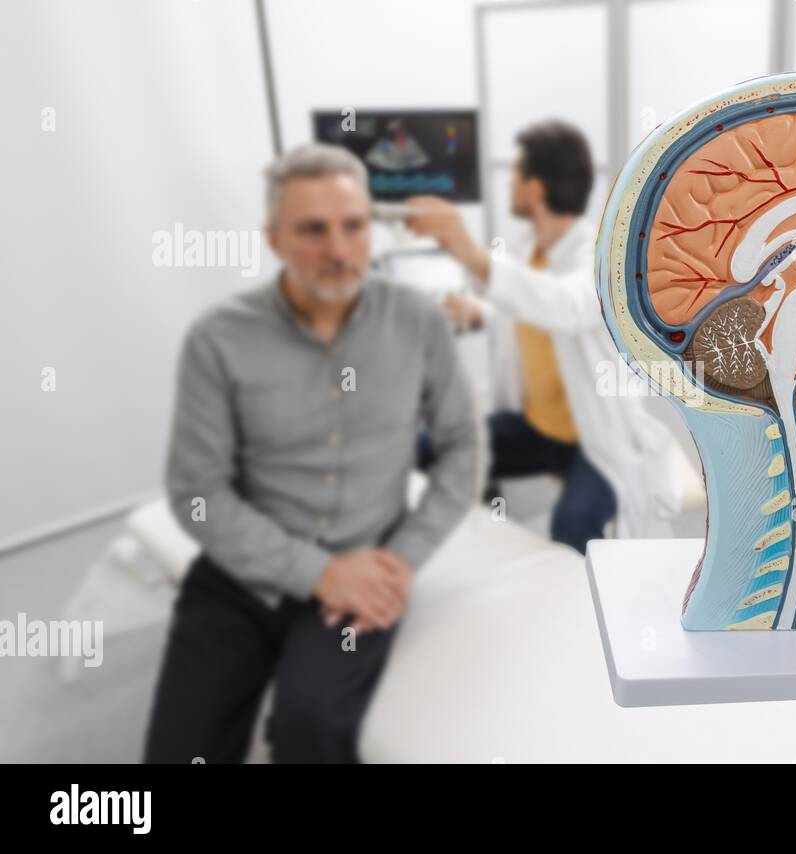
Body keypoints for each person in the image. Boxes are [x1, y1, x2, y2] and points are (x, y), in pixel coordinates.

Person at [144, 144, 477, 763]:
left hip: (366, 561)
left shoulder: (418, 323)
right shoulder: (218, 340)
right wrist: (317, 572)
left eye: (354, 227)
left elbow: (463, 446)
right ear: (273, 239)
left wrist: (399, 564)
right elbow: (196, 491)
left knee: (310, 729)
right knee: (177, 752)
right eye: (313, 230)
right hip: (242, 575)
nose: (340, 249)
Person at [403, 120, 681, 553]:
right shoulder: (526, 247)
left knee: (572, 524)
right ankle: (446, 550)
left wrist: (469, 251)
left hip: (596, 442)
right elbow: (529, 306)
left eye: (514, 174)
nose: (508, 183)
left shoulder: (598, 256)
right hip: (537, 429)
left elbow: (565, 307)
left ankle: (585, 614)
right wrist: (482, 312)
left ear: (535, 189)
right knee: (426, 446)